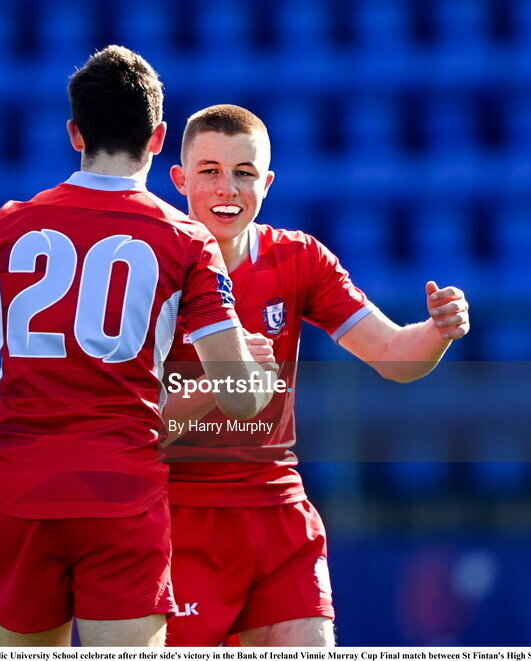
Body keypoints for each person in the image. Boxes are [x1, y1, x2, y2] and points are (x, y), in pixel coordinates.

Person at [0, 52, 273, 647]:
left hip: (20, 489)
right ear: (158, 138)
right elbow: (245, 400)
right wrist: (258, 370)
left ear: (75, 132)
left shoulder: (12, 224)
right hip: (121, 491)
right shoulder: (186, 241)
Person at [160, 104, 471, 647]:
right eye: (209, 171)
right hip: (179, 519)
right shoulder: (149, 265)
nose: (226, 188)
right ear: (180, 179)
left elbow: (393, 355)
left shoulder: (300, 259)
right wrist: (229, 383)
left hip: (276, 512)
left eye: (245, 172)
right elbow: (139, 425)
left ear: (268, 182)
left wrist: (436, 332)